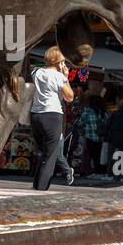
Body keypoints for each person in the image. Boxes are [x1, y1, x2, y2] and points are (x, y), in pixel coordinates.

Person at [28, 46, 74, 190]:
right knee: (51, 156)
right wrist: (66, 77)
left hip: (35, 115)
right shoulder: (60, 77)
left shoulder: (36, 72)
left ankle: (37, 185)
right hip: (52, 116)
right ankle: (41, 188)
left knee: (44, 153)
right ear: (59, 62)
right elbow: (70, 97)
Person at [105, 97, 123, 181]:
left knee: (112, 156)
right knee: (122, 155)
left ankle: (112, 174)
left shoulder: (114, 114)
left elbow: (108, 125)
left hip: (114, 137)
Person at [78, 96, 105, 177]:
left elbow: (80, 124)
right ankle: (100, 171)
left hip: (90, 137)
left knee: (91, 156)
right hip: (101, 138)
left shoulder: (87, 112)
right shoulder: (102, 113)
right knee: (99, 155)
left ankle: (92, 171)